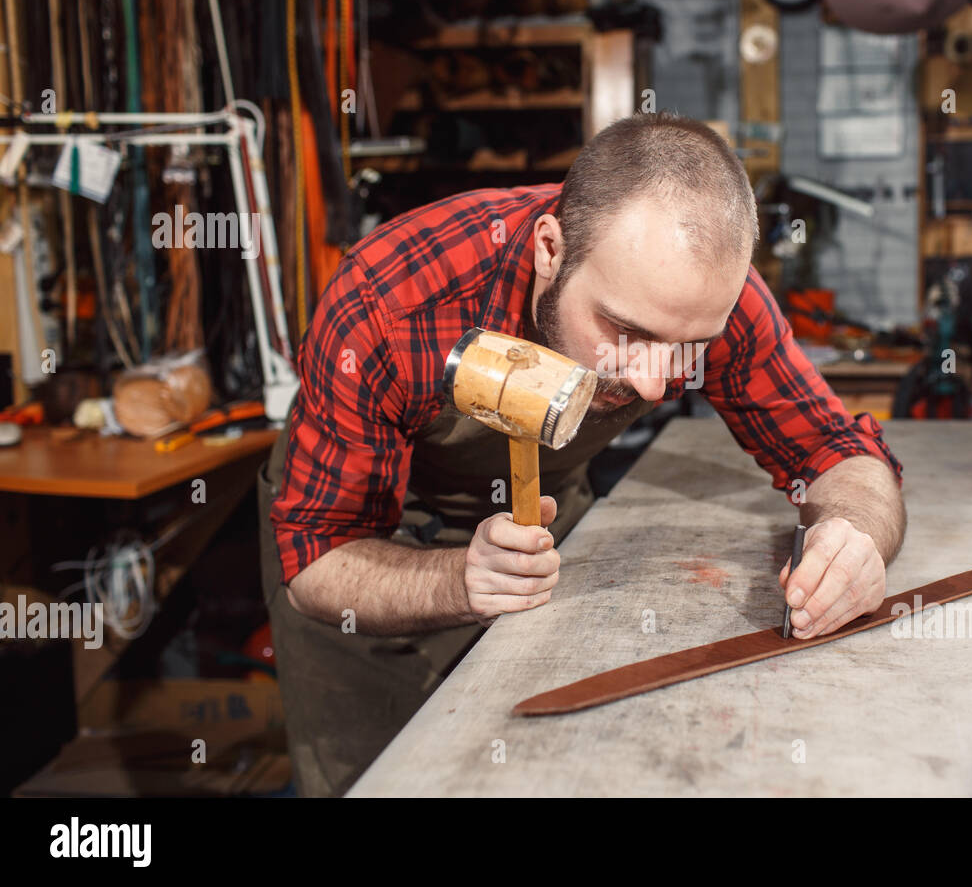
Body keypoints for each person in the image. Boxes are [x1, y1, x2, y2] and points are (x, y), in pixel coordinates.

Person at [257, 111, 906, 796]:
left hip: (544, 533)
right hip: (373, 549)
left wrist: (855, 536)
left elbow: (838, 451)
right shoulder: (390, 302)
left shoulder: (703, 297)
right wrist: (458, 580)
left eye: (687, 348)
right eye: (626, 330)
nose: (656, 381)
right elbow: (319, 555)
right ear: (548, 250)